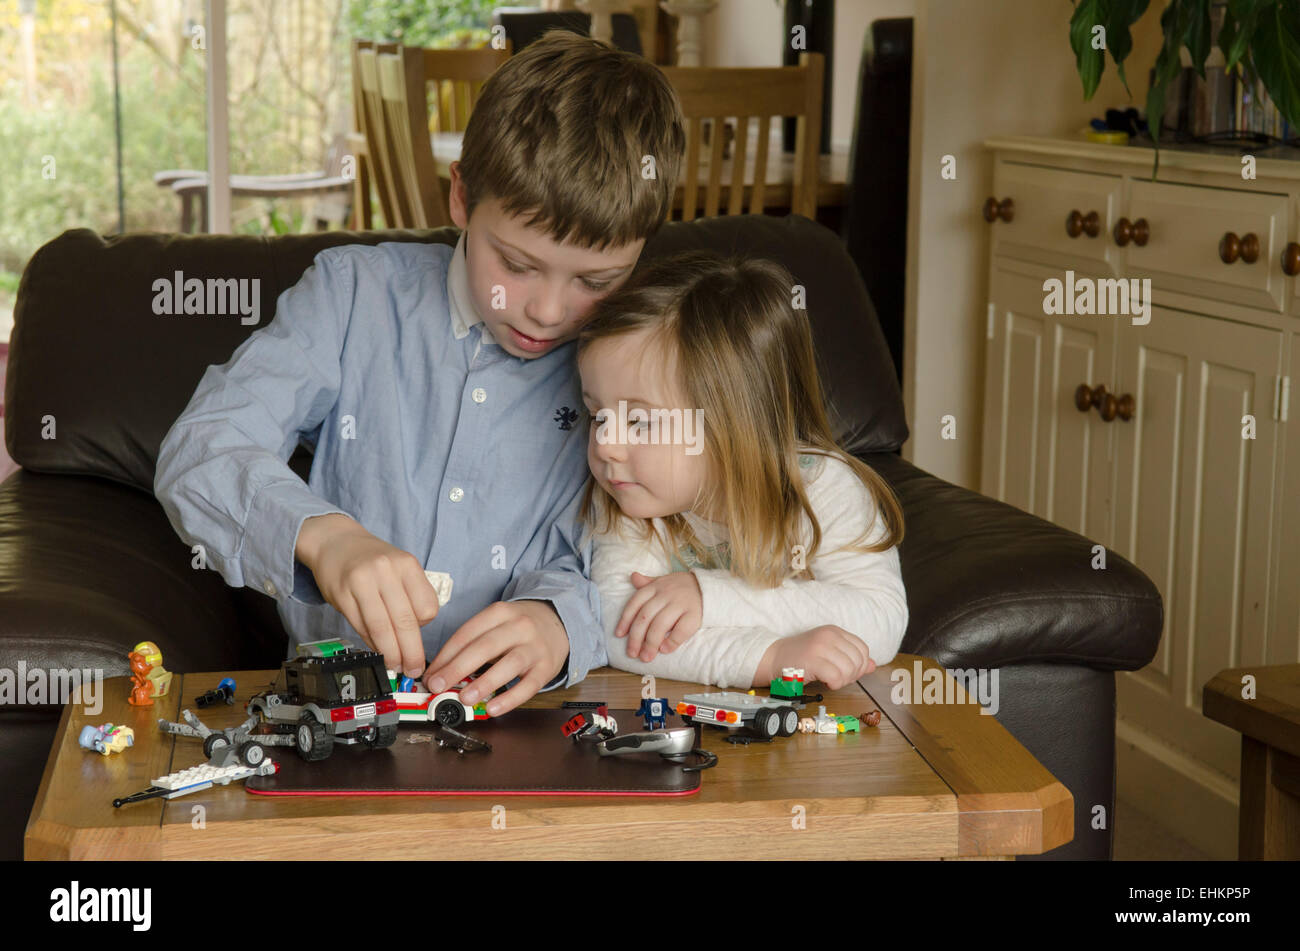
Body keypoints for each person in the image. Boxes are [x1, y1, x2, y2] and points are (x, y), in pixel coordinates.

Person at [153, 33, 685, 716]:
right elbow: (202, 449)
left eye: (595, 279)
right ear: (461, 196)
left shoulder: (640, 361)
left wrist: (562, 624)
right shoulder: (352, 298)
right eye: (516, 264)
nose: (549, 311)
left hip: (526, 725)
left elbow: (641, 548)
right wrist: (325, 535)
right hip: (335, 719)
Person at [578, 252, 908, 690]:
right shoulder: (624, 498)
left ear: (733, 422)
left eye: (640, 421)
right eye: (596, 414)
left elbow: (880, 619)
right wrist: (771, 658)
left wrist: (709, 599)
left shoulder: (820, 485)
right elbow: (621, 632)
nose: (604, 443)